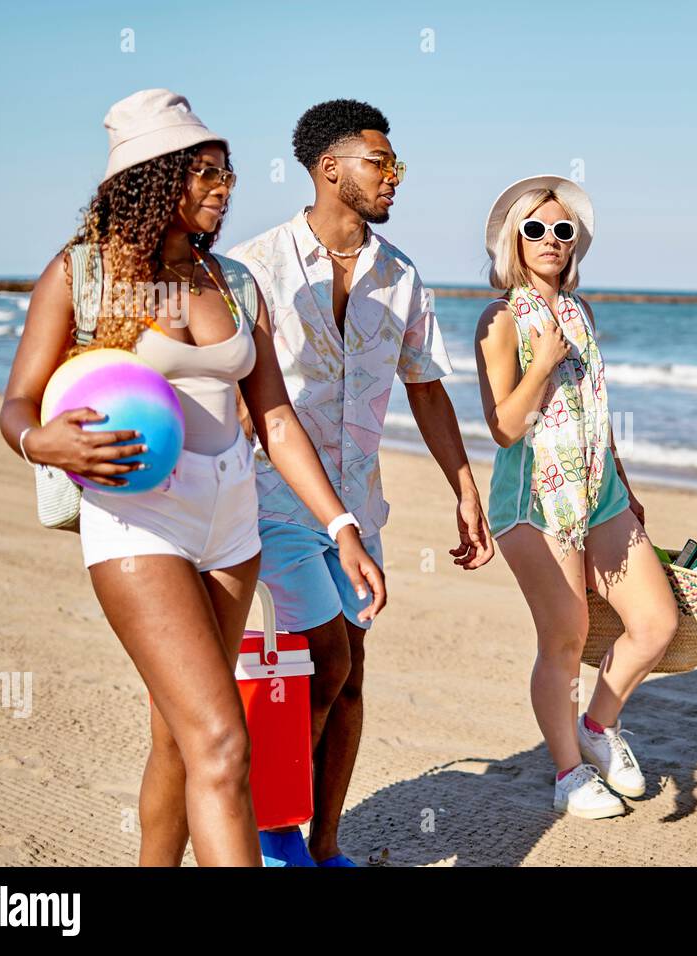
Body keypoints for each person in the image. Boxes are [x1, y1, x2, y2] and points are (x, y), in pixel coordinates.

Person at [0, 89, 385, 866]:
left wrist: (341, 527)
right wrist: (43, 443)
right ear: (151, 179)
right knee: (222, 738)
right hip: (141, 522)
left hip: (232, 525)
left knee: (178, 738)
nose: (223, 186)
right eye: (203, 172)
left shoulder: (234, 282)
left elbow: (275, 419)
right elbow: (17, 402)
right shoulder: (84, 274)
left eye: (227, 171)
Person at [227, 99, 494, 866]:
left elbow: (427, 387)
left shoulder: (400, 275)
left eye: (394, 164)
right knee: (323, 660)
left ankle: (327, 840)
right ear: (329, 169)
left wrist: (464, 488)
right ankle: (273, 829)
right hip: (275, 502)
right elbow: (233, 385)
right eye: (382, 163)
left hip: (360, 508)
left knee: (349, 679)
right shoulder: (255, 267)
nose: (394, 178)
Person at [473, 175, 679, 819]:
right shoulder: (500, 319)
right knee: (566, 637)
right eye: (535, 229)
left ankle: (597, 725)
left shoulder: (581, 312)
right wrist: (542, 364)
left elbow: (596, 409)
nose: (550, 241)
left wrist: (625, 481)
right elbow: (504, 426)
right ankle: (567, 773)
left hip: (601, 492)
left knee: (657, 623)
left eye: (563, 230)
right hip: (534, 500)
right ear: (514, 240)